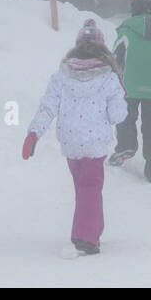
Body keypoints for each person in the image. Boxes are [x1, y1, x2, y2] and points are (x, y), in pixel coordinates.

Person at [22, 21, 127, 256]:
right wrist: (122, 96)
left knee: (83, 187)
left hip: (70, 142)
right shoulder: (109, 78)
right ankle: (86, 237)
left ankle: (94, 228)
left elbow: (48, 107)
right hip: (95, 143)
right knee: (91, 187)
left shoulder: (62, 75)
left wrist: (34, 133)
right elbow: (117, 116)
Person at [108, 0, 151, 183]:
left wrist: (120, 77)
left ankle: (126, 145)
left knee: (125, 115)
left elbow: (114, 58)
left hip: (129, 84)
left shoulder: (126, 31)